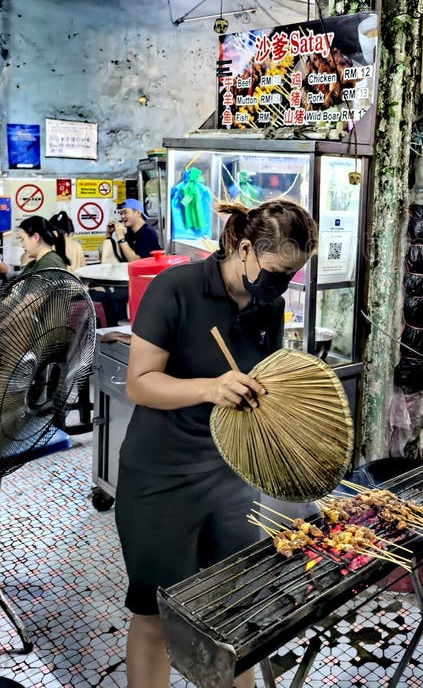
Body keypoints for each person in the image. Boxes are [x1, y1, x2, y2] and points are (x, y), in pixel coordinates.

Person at [114, 198, 318, 688]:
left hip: (231, 474)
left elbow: (264, 375)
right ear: (243, 248)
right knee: (156, 617)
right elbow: (140, 383)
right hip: (162, 476)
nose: (279, 286)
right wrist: (210, 387)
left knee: (233, 611)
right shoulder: (176, 290)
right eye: (273, 272)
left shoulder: (270, 303)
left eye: (290, 276)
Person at [105, 198, 161, 262]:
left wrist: (121, 236)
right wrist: (109, 234)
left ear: (138, 213)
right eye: (121, 214)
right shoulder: (129, 235)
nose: (122, 217)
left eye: (125, 213)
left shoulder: (148, 233)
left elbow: (136, 262)